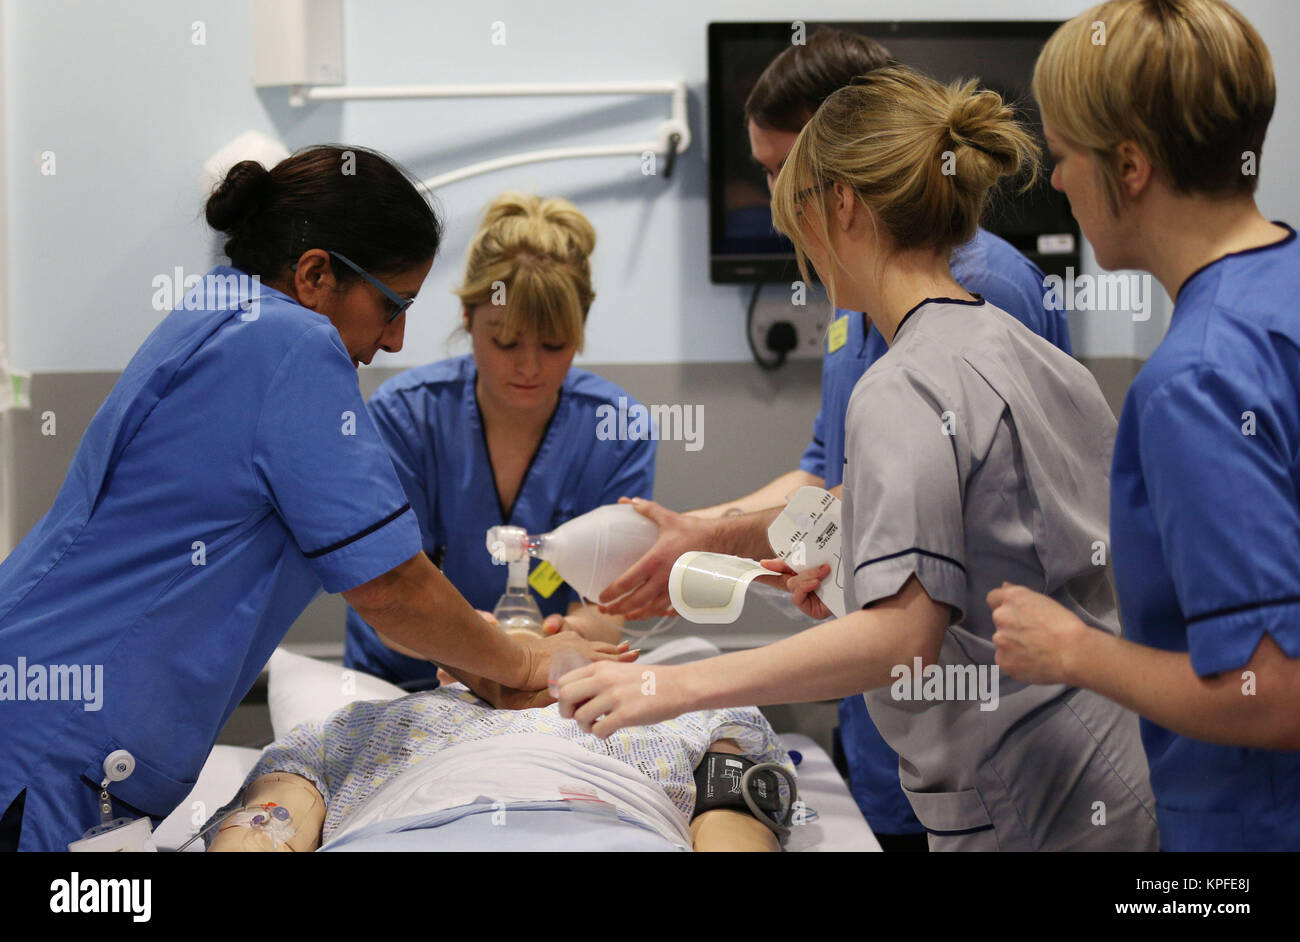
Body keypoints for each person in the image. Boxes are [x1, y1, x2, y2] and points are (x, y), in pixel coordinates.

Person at [558, 64, 1159, 851]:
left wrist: (665, 684)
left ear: (841, 204)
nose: (797, 251)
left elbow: (900, 640)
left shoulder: (905, 381)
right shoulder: (1021, 351)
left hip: (1029, 795)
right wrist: (846, 571)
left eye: (793, 213)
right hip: (1112, 765)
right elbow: (1009, 543)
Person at [0, 147, 630, 852]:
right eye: (391, 307)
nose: (394, 339)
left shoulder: (222, 310)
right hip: (48, 743)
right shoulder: (290, 345)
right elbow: (392, 587)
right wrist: (522, 662)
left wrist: (494, 659)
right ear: (314, 274)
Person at [983, 0, 1300, 851]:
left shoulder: (1198, 379)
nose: (1055, 184)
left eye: (1063, 158)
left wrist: (1073, 651)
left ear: (1129, 166)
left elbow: (1271, 692)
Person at [344, 193, 653, 687]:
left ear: (580, 327)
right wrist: (481, 644)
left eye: (553, 345)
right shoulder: (405, 418)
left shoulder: (615, 430)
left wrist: (559, 638)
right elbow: (384, 591)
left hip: (552, 681)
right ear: (467, 317)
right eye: (505, 342)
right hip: (407, 683)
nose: (529, 367)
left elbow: (607, 602)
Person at [205, 640, 792, 852]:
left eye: (561, 632)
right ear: (449, 662)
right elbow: (268, 825)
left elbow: (735, 830)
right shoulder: (358, 724)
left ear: (614, 655)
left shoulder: (680, 711)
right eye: (496, 634)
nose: (540, 642)